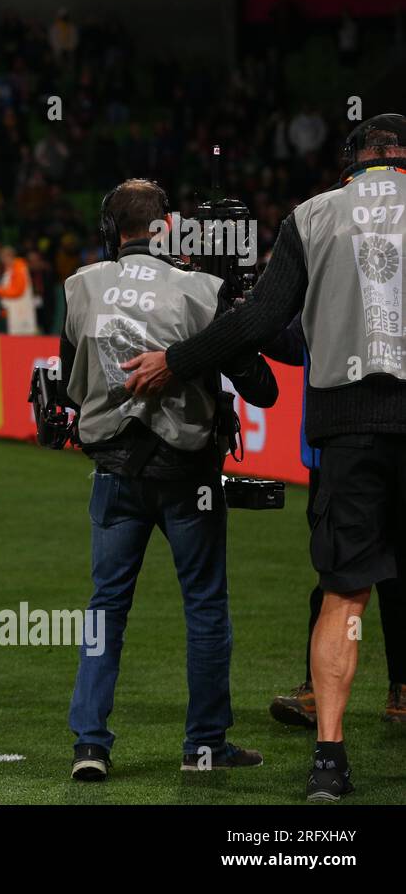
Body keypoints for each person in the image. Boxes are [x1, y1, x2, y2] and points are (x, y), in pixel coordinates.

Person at [122, 114, 406, 801]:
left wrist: (177, 359)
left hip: (350, 430)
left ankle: (329, 761)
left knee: (344, 594)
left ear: (352, 162)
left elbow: (260, 323)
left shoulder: (314, 215)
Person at [61, 179, 277, 783]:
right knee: (205, 610)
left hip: (113, 472)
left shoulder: (80, 284)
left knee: (105, 611)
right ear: (170, 227)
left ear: (112, 229)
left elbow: (71, 380)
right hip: (188, 474)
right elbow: (262, 386)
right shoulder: (202, 289)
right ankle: (204, 746)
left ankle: (90, 745)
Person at [262, 317, 406, 728]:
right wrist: (246, 317)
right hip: (334, 449)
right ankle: (316, 687)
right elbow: (292, 343)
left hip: (380, 439)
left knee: (396, 572)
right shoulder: (325, 269)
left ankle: (401, 686)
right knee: (334, 574)